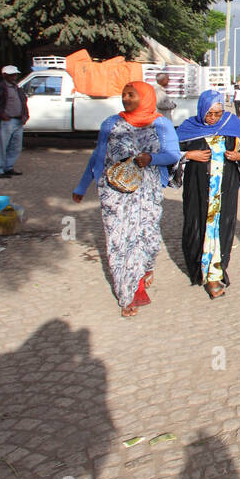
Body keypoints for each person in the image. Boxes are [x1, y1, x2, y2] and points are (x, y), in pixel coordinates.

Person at [72, 82, 181, 317]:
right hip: (114, 191)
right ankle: (128, 293)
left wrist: (151, 158)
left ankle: (145, 268)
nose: (126, 98)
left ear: (145, 97)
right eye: (124, 95)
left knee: (148, 239)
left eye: (132, 94)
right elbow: (98, 155)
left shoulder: (160, 124)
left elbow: (172, 155)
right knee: (119, 241)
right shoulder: (111, 123)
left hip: (147, 191)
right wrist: (82, 186)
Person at [175, 90, 240, 299]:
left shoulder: (232, 125)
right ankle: (198, 269)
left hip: (224, 191)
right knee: (197, 226)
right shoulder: (188, 128)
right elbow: (171, 153)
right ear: (201, 110)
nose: (213, 118)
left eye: (217, 114)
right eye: (209, 113)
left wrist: (239, 156)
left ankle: (215, 274)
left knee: (221, 229)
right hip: (198, 189)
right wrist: (188, 155)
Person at [0, 65, 28, 179]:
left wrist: (25, 115)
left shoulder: (16, 88)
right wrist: (1, 115)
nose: (14, 76)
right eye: (11, 75)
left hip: (18, 120)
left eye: (15, 74)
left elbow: (23, 103)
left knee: (16, 146)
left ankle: (8, 167)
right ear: (4, 75)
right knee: (1, 146)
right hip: (6, 121)